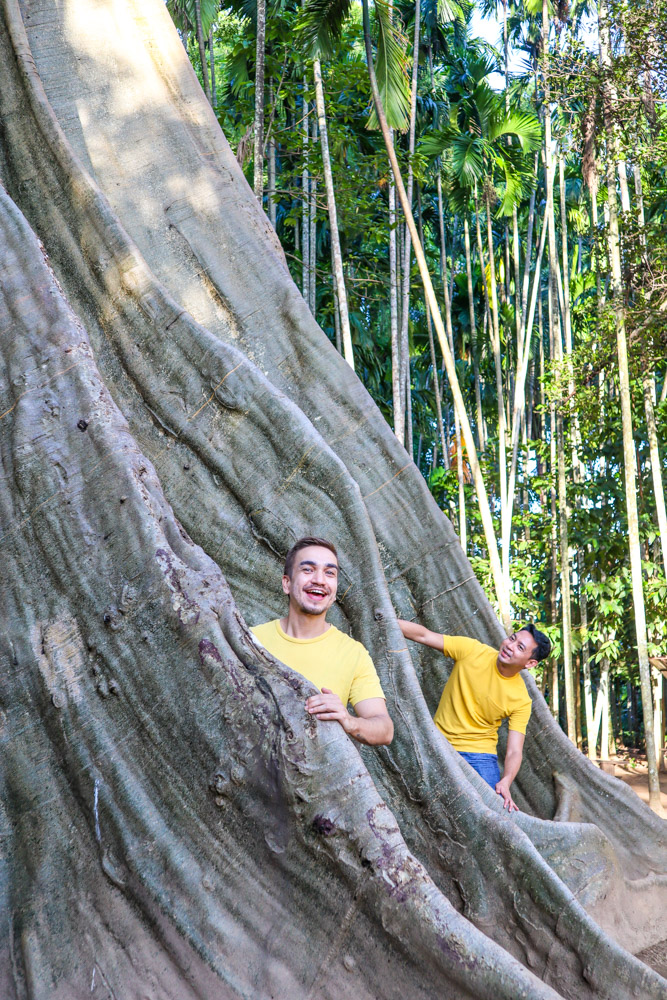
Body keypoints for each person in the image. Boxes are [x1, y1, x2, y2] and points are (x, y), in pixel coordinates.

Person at [252, 537, 393, 746]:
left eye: (329, 573)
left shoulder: (353, 653)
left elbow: (384, 730)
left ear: (334, 591)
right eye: (308, 569)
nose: (319, 580)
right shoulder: (251, 640)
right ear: (287, 583)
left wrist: (348, 720)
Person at [398, 620, 551, 810]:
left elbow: (514, 751)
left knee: (496, 812)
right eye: (512, 638)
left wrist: (506, 781)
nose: (510, 646)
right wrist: (388, 619)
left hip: (479, 757)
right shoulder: (472, 650)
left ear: (530, 663)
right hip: (436, 742)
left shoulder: (521, 700)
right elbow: (424, 635)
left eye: (520, 647)